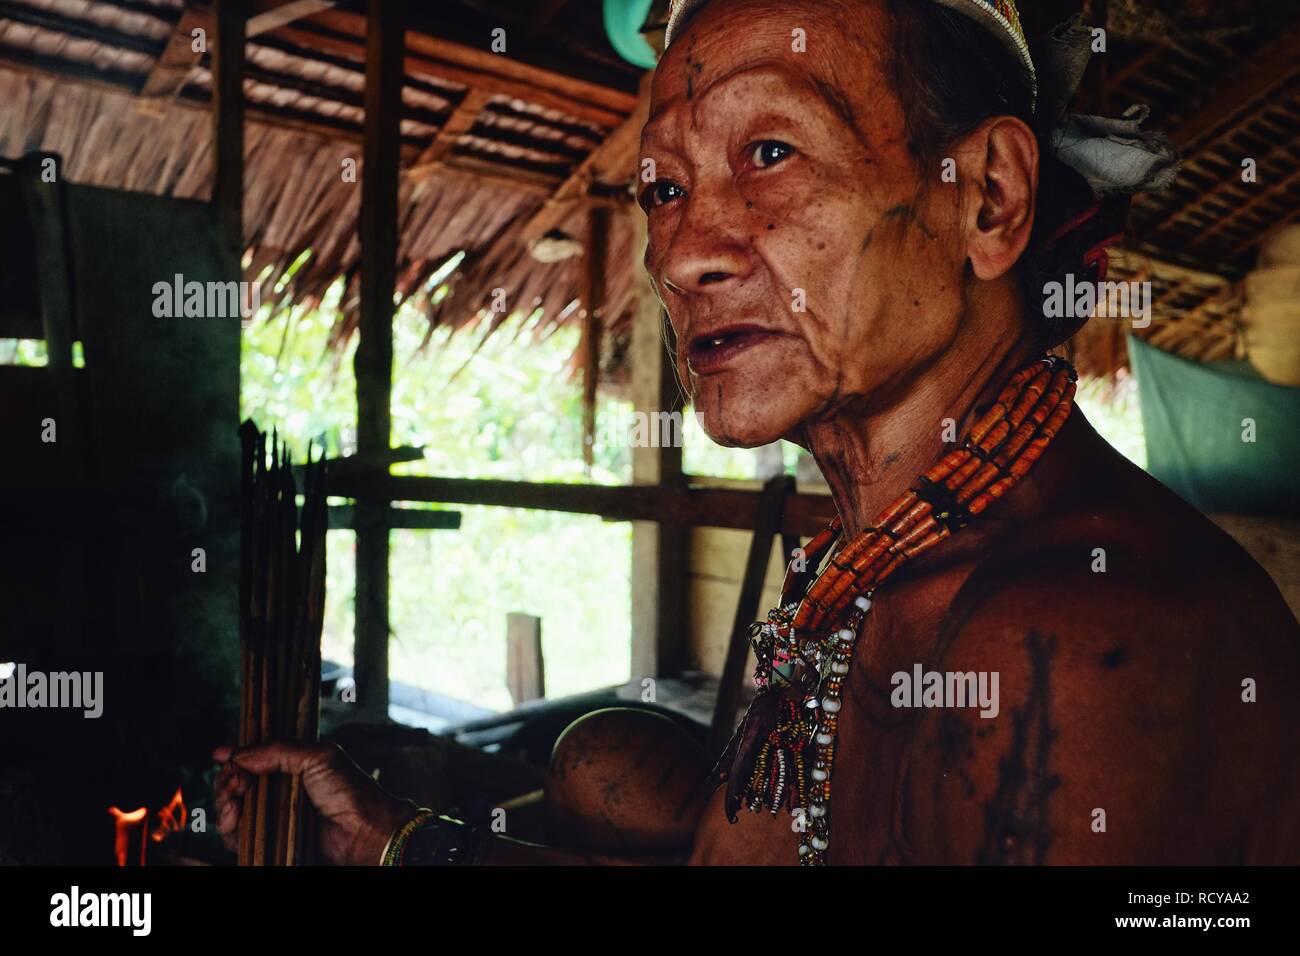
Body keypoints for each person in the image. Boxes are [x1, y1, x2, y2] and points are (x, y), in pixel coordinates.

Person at [215, 0, 1300, 865]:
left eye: (771, 150)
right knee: (598, 756)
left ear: (987, 196)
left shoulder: (1068, 639)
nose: (682, 252)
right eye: (664, 185)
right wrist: (395, 840)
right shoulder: (872, 566)